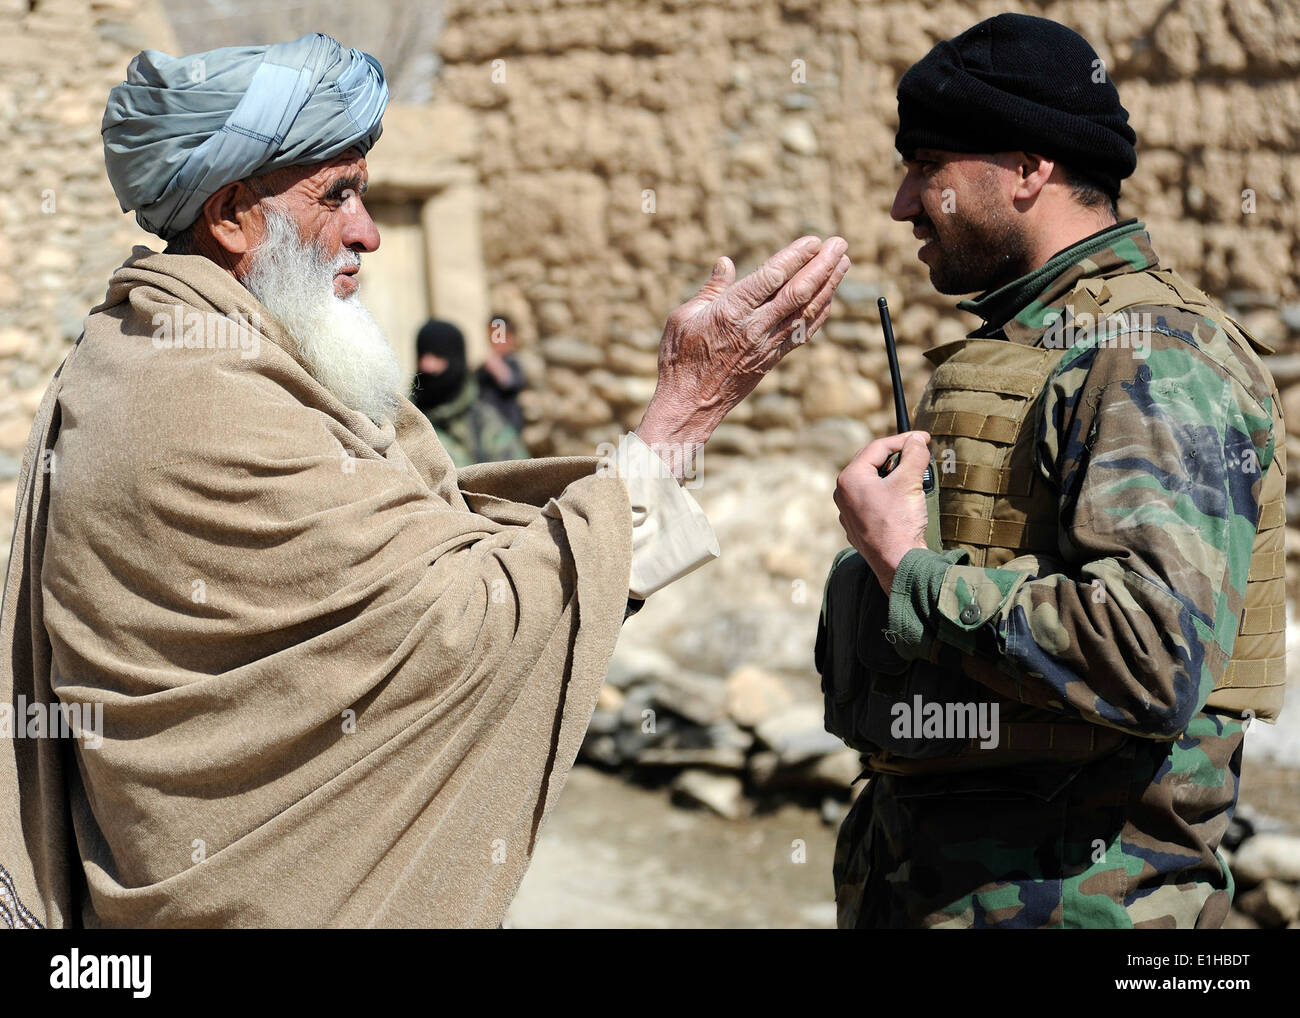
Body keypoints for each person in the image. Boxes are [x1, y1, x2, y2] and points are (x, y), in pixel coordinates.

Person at [0, 33, 851, 928]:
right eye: (340, 195)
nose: (367, 232)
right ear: (230, 216)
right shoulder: (197, 400)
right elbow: (455, 626)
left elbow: (427, 549)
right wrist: (680, 419)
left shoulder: (152, 351)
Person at [821, 13, 1286, 929]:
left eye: (929, 169)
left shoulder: (1152, 358)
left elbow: (1150, 655)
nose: (903, 204)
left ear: (1029, 168)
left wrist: (910, 574)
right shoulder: (1046, 345)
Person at [411, 318, 529, 467]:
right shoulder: (405, 418)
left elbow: (517, 474)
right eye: (422, 355)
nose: (427, 365)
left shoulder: (486, 424)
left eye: (437, 356)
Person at [478, 313, 528, 433]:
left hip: (507, 426)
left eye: (499, 336)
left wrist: (495, 363)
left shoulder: (513, 363)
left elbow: (509, 381)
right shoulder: (483, 368)